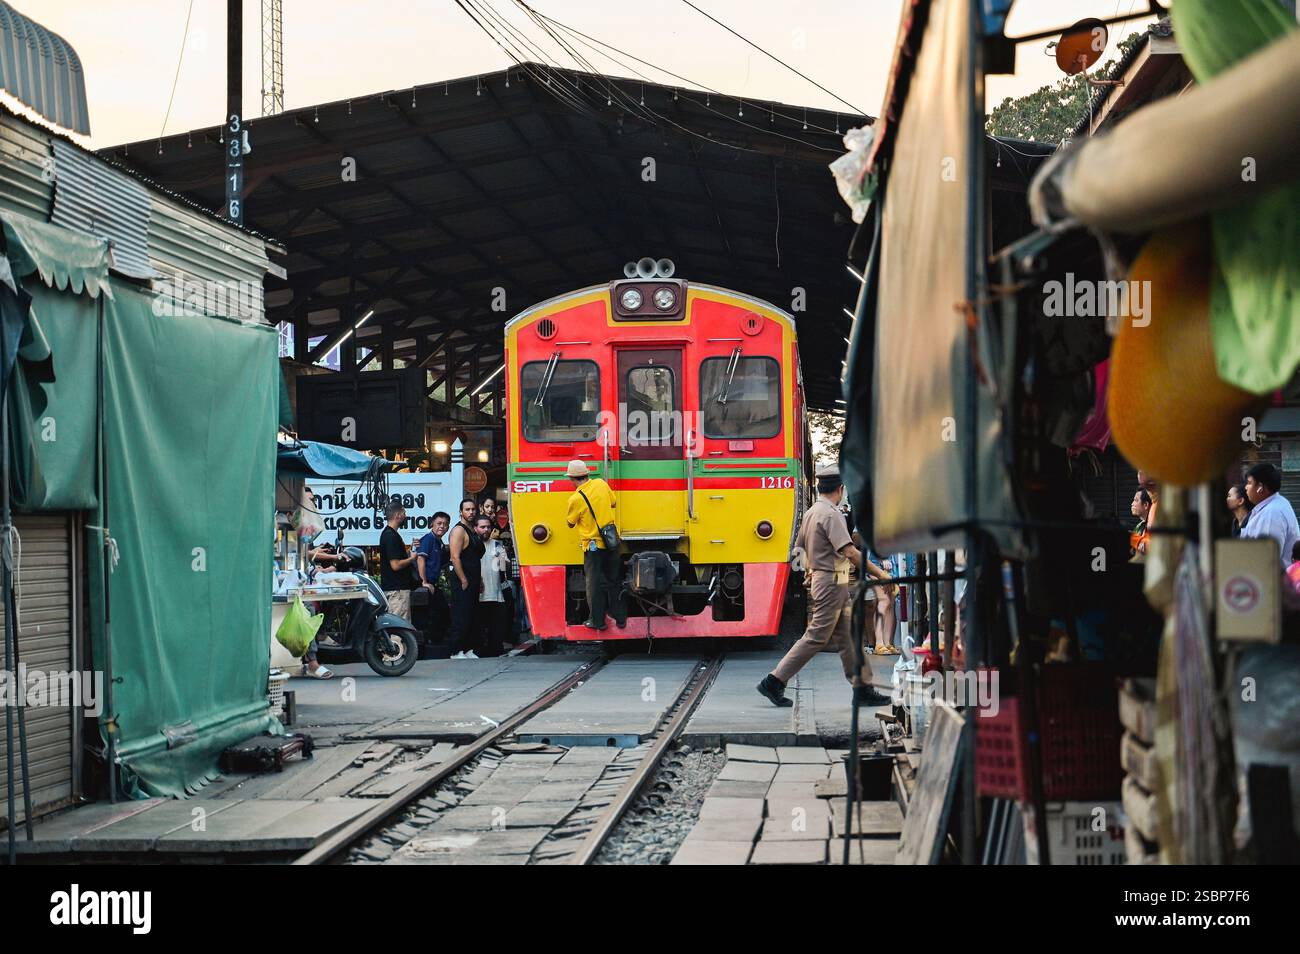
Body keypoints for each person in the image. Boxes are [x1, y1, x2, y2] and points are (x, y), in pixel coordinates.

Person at [758, 465, 895, 708]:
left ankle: (862, 688)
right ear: (840, 489)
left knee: (850, 638)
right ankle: (774, 680)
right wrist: (881, 574)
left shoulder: (812, 512)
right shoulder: (832, 514)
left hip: (827, 581)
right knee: (816, 637)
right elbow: (850, 552)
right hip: (832, 582)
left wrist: (809, 572)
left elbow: (798, 549)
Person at [563, 459, 625, 630]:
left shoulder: (575, 499)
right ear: (587, 474)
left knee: (594, 584)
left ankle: (597, 621)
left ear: (572, 479)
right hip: (611, 542)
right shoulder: (601, 484)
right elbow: (613, 502)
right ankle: (620, 618)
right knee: (614, 580)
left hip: (593, 546)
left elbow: (570, 522)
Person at [1241, 463, 1300, 569]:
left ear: (1260, 487)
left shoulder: (1272, 514)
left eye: (1249, 483)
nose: (1246, 487)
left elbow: (1266, 561)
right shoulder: (1275, 504)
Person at [447, 497, 484, 658]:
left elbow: (475, 557)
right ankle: (456, 650)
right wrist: (463, 579)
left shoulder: (471, 529)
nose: (471, 512)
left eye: (473, 509)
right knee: (461, 614)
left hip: (474, 578)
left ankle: (468, 649)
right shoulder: (458, 530)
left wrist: (480, 579)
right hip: (463, 579)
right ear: (461, 512)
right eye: (467, 509)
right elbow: (455, 557)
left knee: (472, 615)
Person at [476, 514, 508, 656]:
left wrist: (502, 559)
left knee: (496, 627)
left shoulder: (497, 544)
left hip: (496, 593)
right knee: (479, 626)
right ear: (476, 528)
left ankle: (495, 650)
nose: (486, 530)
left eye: (488, 527)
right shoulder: (471, 544)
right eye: (482, 527)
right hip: (478, 593)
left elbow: (503, 568)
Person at [379, 502, 416, 622]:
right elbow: (395, 565)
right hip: (397, 591)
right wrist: (412, 558)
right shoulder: (390, 536)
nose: (405, 516)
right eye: (404, 513)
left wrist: (409, 551)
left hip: (396, 589)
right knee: (399, 628)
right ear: (398, 515)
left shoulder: (390, 534)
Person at [1129, 488, 1153, 557]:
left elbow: (1153, 548)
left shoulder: (1156, 525)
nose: (1132, 504)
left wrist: (1132, 538)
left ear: (1146, 505)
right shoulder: (1139, 526)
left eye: (1136, 500)